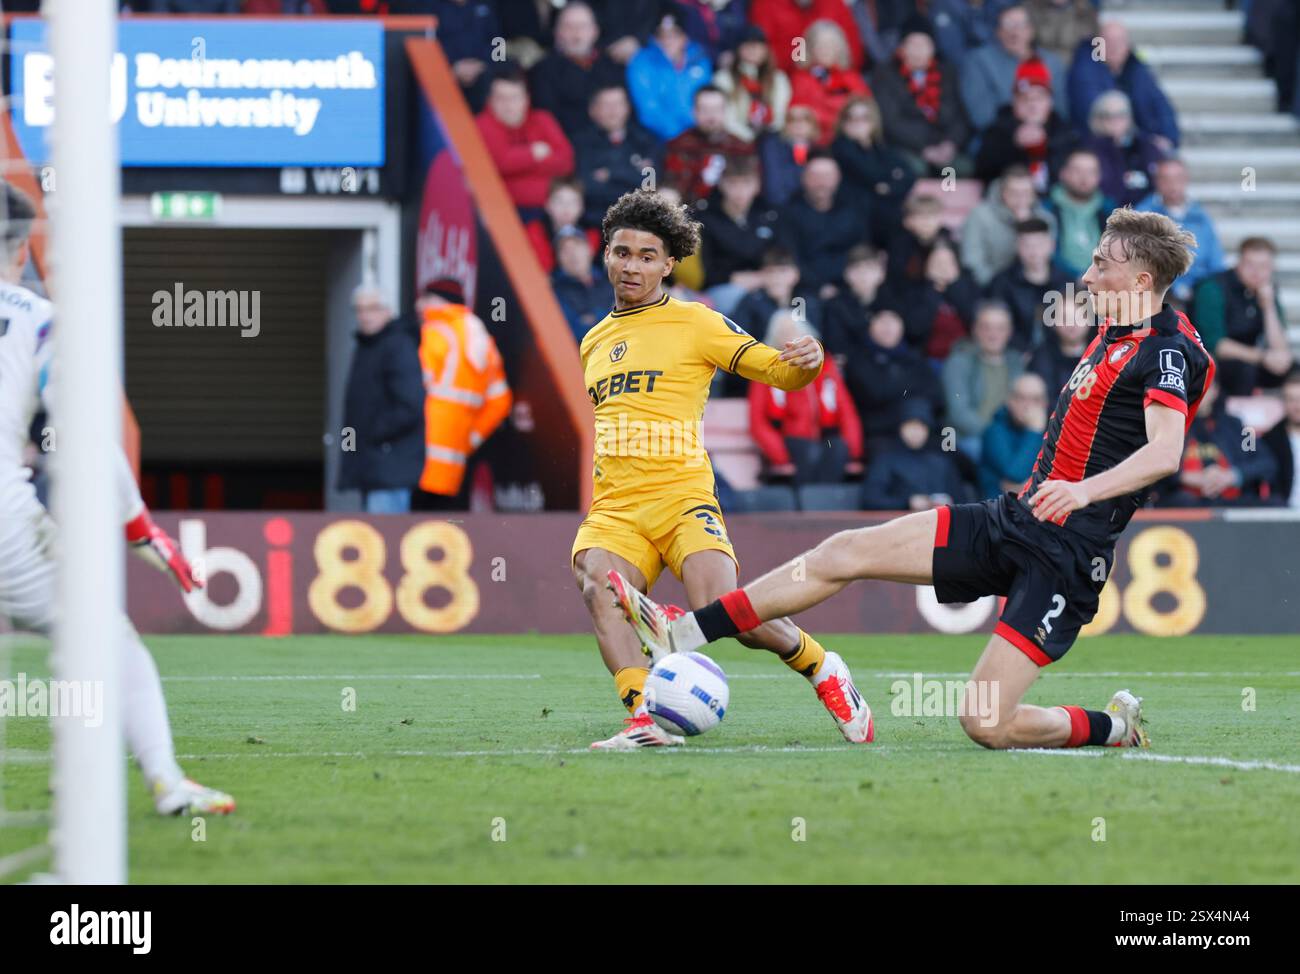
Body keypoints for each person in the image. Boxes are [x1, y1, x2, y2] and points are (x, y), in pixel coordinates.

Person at [612, 208, 1217, 753]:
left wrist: (1083, 491)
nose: (1085, 277)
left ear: (1141, 282)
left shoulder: (1168, 352)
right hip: (1018, 519)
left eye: (1100, 265)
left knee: (985, 724)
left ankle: (1111, 727)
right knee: (844, 550)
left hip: (1067, 554)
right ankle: (685, 630)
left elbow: (1165, 453)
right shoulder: (1118, 330)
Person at [574, 189, 874, 749]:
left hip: (682, 494)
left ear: (669, 264)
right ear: (606, 255)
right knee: (598, 586)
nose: (631, 265)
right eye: (622, 252)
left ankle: (822, 667)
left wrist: (807, 363)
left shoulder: (697, 322)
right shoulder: (593, 340)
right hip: (616, 505)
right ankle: (642, 719)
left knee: (722, 611)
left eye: (646, 256)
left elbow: (777, 372)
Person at [0, 181, 233, 815]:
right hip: (8, 529)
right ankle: (166, 782)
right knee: (108, 638)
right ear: (21, 251)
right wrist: (139, 530)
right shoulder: (39, 321)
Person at [416, 279, 513, 510]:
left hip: (420, 455)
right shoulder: (481, 338)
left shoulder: (434, 332)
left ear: (439, 301)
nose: (419, 304)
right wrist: (469, 439)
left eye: (426, 298)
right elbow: (501, 402)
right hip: (456, 458)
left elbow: (414, 390)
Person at [338, 284, 426, 513]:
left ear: (388, 311)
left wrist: (374, 433)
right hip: (374, 464)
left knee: (386, 539)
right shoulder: (368, 346)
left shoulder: (398, 346)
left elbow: (410, 404)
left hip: (390, 466)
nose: (365, 315)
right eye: (359, 309)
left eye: (372, 308)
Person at [749, 311, 865, 485]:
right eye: (782, 333)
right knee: (806, 451)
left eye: (793, 331)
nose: (788, 338)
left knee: (838, 448)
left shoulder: (825, 367)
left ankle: (824, 506)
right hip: (790, 443)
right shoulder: (764, 369)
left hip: (825, 440)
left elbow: (846, 410)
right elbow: (758, 421)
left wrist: (853, 449)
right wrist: (780, 456)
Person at [871, 16, 972, 176]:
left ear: (933, 48)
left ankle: (945, 199)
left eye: (924, 45)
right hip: (907, 146)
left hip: (944, 145)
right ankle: (918, 202)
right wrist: (925, 148)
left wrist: (950, 144)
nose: (918, 51)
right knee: (916, 169)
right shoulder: (885, 74)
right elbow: (890, 121)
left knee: (958, 170)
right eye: (913, 45)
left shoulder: (947, 73)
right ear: (901, 48)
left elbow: (960, 116)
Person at [1193, 237, 1294, 396]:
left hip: (1251, 358)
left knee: (1291, 367)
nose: (1257, 272)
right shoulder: (1213, 288)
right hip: (1213, 360)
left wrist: (1268, 307)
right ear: (1238, 263)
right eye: (1250, 264)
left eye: (1264, 266)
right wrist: (1262, 357)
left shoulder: (1267, 290)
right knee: (1244, 370)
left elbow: (1280, 347)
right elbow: (1215, 344)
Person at [1153, 378, 1276, 507]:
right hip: (1184, 503)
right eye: (1193, 387)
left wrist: (1232, 476)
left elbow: (1265, 462)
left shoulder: (1236, 426)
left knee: (1276, 504)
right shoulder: (1168, 425)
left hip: (1231, 501)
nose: (1200, 392)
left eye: (1206, 387)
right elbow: (1150, 465)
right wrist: (1185, 477)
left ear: (1216, 391)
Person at [1067, 19, 1179, 151]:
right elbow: (1103, 119)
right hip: (1099, 146)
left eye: (1120, 41)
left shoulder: (1137, 69)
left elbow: (1162, 106)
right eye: (1108, 41)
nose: (1114, 46)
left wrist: (1168, 137)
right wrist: (1148, 142)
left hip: (1138, 144)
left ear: (1128, 45)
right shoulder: (1084, 70)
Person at [843, 306, 943, 453]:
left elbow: (935, 397)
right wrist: (909, 402)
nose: (887, 327)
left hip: (921, 431)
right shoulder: (858, 360)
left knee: (949, 454)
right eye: (882, 321)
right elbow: (875, 393)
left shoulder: (916, 360)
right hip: (879, 433)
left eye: (893, 321)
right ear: (870, 325)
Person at [476, 68, 575, 214]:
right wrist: (533, 154)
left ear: (526, 99)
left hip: (552, 212)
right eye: (501, 98)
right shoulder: (483, 124)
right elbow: (500, 162)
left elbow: (566, 162)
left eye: (515, 98)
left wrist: (516, 168)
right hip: (504, 212)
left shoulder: (543, 119)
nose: (508, 105)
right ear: (490, 100)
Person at [960, 4, 1069, 132]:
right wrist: (1020, 132)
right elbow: (982, 116)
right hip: (998, 135)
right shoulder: (978, 61)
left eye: (1020, 25)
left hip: (1048, 133)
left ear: (1031, 30)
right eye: (1007, 26)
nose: (1014, 32)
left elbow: (1061, 110)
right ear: (998, 32)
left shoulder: (1052, 62)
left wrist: (1039, 131)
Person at [974, 58, 1078, 190]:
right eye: (1025, 98)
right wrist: (1015, 145)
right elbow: (983, 172)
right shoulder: (997, 131)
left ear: (1050, 102)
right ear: (1014, 103)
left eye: (1039, 98)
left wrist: (1044, 148)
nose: (1032, 104)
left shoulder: (1066, 133)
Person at [695, 156, 781, 317]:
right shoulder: (705, 218)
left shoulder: (770, 215)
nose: (740, 191)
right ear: (722, 184)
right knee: (750, 302)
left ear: (757, 185)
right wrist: (732, 277)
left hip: (766, 282)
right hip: (722, 287)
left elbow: (781, 254)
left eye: (746, 183)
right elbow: (703, 270)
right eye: (733, 184)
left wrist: (767, 276)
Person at [1134, 157, 1225, 306]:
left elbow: (1216, 262)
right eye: (1166, 179)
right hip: (1160, 287)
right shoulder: (1142, 215)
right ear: (1157, 182)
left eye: (1178, 179)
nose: (1173, 185)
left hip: (1198, 288)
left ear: (1186, 180)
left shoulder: (1201, 216)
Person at [776, 151, 871, 294]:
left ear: (838, 178)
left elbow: (861, 251)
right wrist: (820, 287)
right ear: (803, 178)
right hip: (805, 290)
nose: (821, 182)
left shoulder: (854, 209)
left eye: (827, 176)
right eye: (815, 176)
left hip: (850, 287)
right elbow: (791, 259)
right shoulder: (787, 213)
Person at [942, 300, 1026, 457]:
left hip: (1009, 437)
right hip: (968, 437)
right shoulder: (959, 361)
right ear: (975, 330)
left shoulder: (1016, 362)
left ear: (1010, 332)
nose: (993, 334)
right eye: (986, 327)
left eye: (1000, 328)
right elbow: (959, 413)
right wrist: (997, 437)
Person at [527, 2, 625, 134]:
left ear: (595, 31)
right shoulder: (543, 70)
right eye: (569, 26)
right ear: (557, 32)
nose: (576, 33)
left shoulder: (613, 65)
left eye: (583, 26)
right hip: (571, 142)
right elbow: (547, 119)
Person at [572, 85, 663, 227]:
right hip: (595, 220)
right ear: (593, 110)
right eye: (606, 105)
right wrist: (633, 173)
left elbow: (650, 183)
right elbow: (587, 188)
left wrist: (611, 173)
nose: (613, 110)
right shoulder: (581, 143)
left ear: (628, 107)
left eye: (618, 104)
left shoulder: (646, 140)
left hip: (638, 219)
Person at [861, 397, 970, 510]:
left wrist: (947, 503)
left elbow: (962, 502)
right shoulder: (885, 460)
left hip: (939, 524)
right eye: (911, 425)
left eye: (921, 426)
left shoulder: (942, 462)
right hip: (902, 524)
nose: (916, 432)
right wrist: (907, 503)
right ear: (900, 428)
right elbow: (870, 500)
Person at [830, 95, 916, 236]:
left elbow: (909, 176)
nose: (857, 123)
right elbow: (871, 173)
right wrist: (891, 177)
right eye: (851, 118)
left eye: (864, 118)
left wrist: (887, 188)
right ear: (843, 122)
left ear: (873, 121)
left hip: (884, 217)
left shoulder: (881, 148)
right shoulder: (840, 146)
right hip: (854, 219)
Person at [961, 166, 1057, 287]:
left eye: (1027, 193)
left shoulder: (1045, 219)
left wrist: (1027, 226)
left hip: (1034, 288)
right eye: (1014, 193)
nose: (1021, 199)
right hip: (992, 287)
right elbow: (972, 262)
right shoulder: (979, 216)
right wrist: (998, 287)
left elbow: (1048, 260)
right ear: (1002, 193)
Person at [987, 217, 1075, 348]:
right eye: (1027, 245)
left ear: (1051, 246)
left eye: (1039, 244)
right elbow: (996, 325)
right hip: (1014, 354)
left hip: (1059, 354)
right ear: (1018, 247)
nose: (1033, 252)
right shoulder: (1002, 283)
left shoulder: (1067, 282)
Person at [626, 9, 713, 142]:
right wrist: (678, 136)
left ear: (685, 37)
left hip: (698, 137)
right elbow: (648, 109)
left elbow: (705, 101)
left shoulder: (700, 59)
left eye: (674, 35)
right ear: (654, 38)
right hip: (657, 139)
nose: (668, 41)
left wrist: (695, 133)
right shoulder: (641, 62)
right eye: (662, 36)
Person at [663, 85, 757, 205]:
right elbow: (672, 186)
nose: (711, 116)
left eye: (716, 109)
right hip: (689, 213)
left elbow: (750, 185)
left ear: (725, 111)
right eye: (705, 110)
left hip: (727, 214)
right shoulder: (679, 145)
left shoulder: (740, 147)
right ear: (694, 112)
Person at [787, 20, 871, 147]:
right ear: (810, 49)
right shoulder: (801, 79)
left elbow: (867, 110)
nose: (826, 50)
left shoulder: (852, 78)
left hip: (851, 142)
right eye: (821, 45)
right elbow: (802, 116)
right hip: (816, 144)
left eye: (831, 45)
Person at [1083, 90, 1165, 208]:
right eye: (1107, 116)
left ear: (1129, 118)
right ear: (1097, 120)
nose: (1114, 121)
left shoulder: (1145, 146)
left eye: (1121, 115)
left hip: (1145, 214)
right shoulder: (1089, 150)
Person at [712, 23, 792, 142]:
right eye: (748, 46)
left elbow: (781, 116)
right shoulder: (724, 79)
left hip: (771, 138)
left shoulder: (778, 79)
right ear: (738, 49)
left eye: (758, 46)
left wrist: (768, 135)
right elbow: (727, 118)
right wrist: (749, 137)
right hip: (736, 139)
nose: (753, 50)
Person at [1043, 147, 1114, 278]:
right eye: (1077, 171)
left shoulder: (1111, 210)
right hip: (1058, 286)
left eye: (1091, 172)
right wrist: (1076, 277)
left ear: (1099, 177)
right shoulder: (1046, 209)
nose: (1084, 177)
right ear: (1063, 173)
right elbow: (1044, 254)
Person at [978, 372, 1049, 497]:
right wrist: (1034, 431)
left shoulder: (1054, 431)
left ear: (1045, 403)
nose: (1028, 405)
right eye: (1021, 398)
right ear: (1009, 400)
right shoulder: (994, 432)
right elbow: (1015, 475)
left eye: (1036, 399)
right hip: (998, 510)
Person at [552, 226, 615, 342]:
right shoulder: (556, 292)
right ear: (559, 259)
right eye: (564, 250)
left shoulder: (610, 279)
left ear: (589, 249)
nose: (572, 254)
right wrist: (609, 314)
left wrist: (593, 318)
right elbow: (574, 332)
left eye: (577, 246)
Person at [1262, 370, 1300, 508]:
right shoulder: (1270, 440)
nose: (1297, 406)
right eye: (1291, 399)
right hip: (1285, 515)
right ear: (1283, 402)